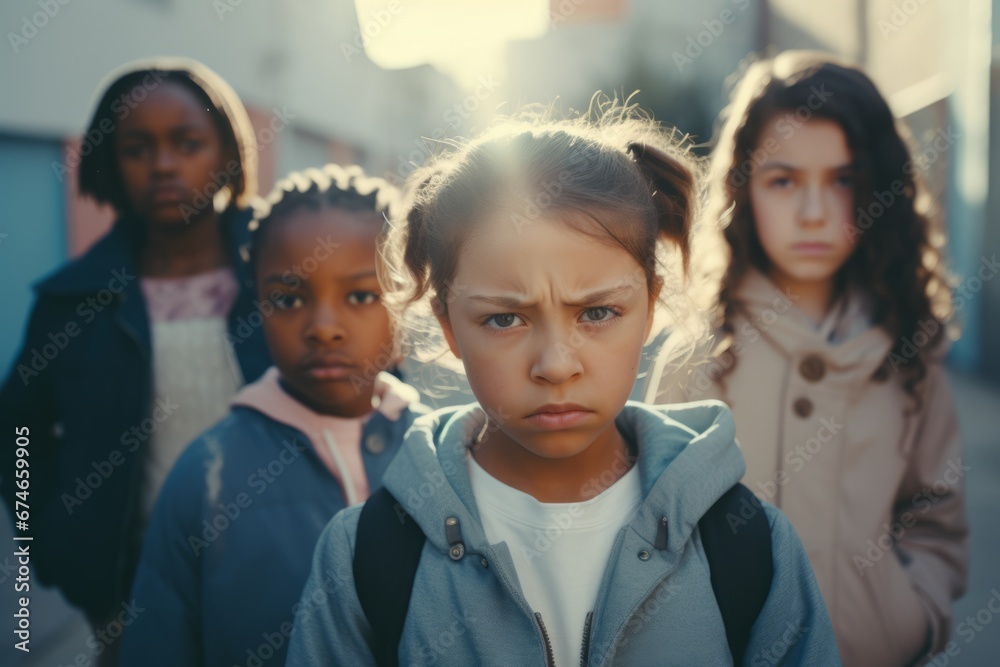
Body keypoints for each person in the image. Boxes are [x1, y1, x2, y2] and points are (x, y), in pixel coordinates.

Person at [287, 100, 839, 666]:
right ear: (449, 326)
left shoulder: (749, 546)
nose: (555, 364)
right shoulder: (366, 558)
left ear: (650, 305)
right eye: (504, 319)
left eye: (597, 313)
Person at [646, 52, 968, 667]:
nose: (814, 211)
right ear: (744, 188)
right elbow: (655, 529)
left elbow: (935, 512)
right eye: (784, 180)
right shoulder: (698, 352)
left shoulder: (910, 353)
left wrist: (910, 618)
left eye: (844, 179)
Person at [0, 58, 270, 665]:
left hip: (292, 564)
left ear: (227, 151)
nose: (165, 164)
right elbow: (15, 429)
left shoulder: (285, 269)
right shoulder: (73, 298)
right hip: (138, 590)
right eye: (137, 148)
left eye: (187, 142)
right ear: (109, 164)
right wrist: (46, 537)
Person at [120, 164, 427, 667]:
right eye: (288, 298)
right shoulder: (206, 476)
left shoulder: (446, 452)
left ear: (407, 298)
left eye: (361, 296)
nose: (324, 327)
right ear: (257, 303)